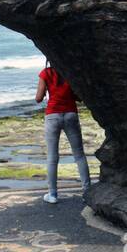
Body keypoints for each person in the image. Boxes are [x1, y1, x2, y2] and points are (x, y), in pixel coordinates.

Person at [36, 60, 91, 203]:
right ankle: (87, 192)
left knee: (52, 157)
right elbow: (78, 96)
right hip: (71, 114)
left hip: (53, 115)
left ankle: (53, 195)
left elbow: (38, 98)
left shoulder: (45, 73)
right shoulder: (69, 73)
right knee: (79, 155)